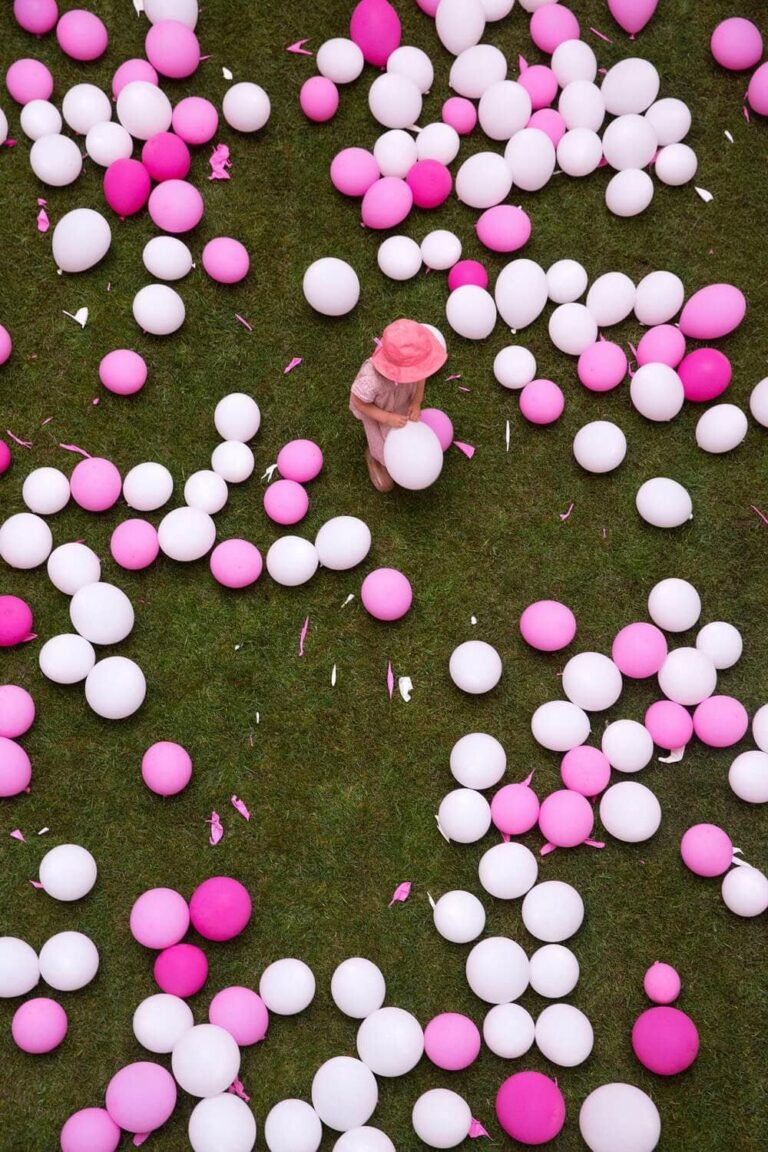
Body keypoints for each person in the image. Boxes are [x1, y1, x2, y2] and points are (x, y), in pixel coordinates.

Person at [349, 318, 447, 492]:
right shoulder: (372, 381)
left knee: (405, 433)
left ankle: (403, 453)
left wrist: (416, 401)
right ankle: (374, 458)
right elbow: (359, 403)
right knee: (381, 446)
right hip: (377, 410)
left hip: (401, 402)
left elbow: (420, 377)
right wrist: (387, 417)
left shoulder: (414, 368)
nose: (418, 373)